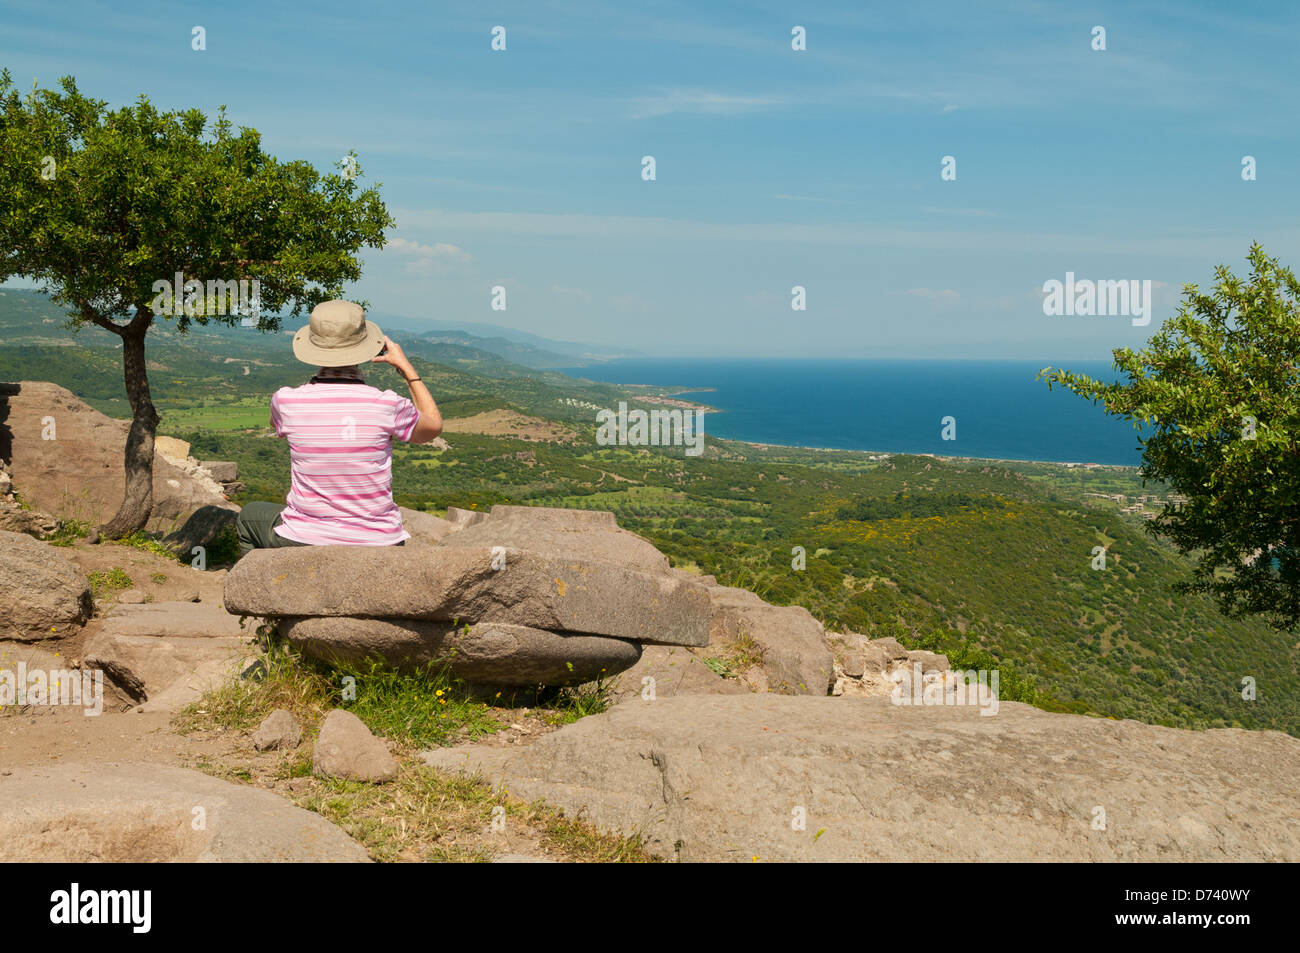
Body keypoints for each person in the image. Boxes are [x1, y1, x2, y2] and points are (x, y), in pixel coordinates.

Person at [236, 299, 442, 555]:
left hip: (304, 538)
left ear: (312, 347)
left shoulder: (285, 400)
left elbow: (275, 424)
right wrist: (406, 368)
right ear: (367, 349)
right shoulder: (388, 404)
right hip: (380, 541)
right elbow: (432, 426)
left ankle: (258, 589)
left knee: (248, 517)